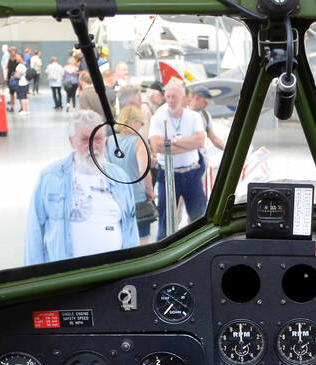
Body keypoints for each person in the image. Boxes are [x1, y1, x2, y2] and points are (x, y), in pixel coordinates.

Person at [24, 109, 139, 264]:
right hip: (67, 278)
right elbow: (34, 231)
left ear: (105, 139)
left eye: (98, 138)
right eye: (85, 139)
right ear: (72, 142)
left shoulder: (119, 178)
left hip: (114, 276)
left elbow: (131, 230)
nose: (92, 146)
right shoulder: (50, 177)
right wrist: (34, 278)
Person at [147, 79, 206, 240]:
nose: (171, 100)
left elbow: (200, 141)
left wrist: (172, 142)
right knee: (165, 221)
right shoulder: (158, 117)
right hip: (167, 174)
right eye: (168, 96)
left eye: (174, 97)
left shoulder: (193, 117)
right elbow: (157, 146)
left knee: (199, 218)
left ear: (183, 98)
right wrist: (188, 144)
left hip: (192, 174)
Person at [107, 104, 157, 244]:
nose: (141, 126)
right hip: (137, 197)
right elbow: (143, 171)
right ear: (133, 122)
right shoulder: (138, 142)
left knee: (121, 239)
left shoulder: (109, 141)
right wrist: (150, 190)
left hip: (116, 197)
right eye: (141, 123)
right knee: (142, 240)